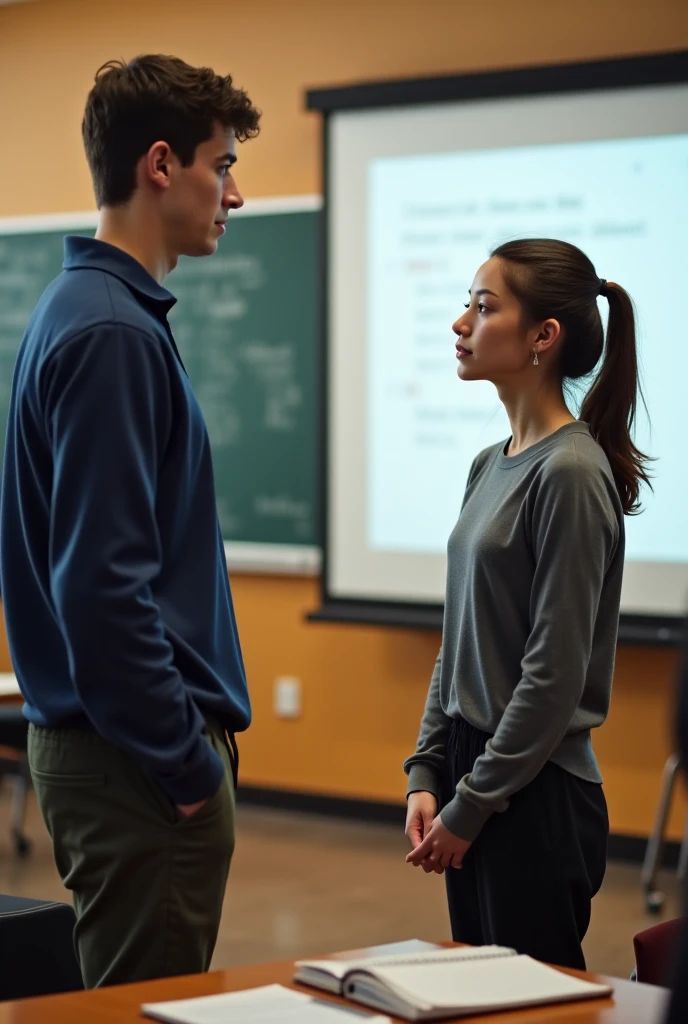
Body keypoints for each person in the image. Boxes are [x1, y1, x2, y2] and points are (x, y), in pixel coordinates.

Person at [0, 55, 260, 987]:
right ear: (160, 164)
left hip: (116, 755)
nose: (235, 190)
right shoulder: (110, 331)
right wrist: (187, 771)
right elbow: (101, 589)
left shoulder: (97, 310)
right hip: (137, 765)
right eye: (221, 164)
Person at [403, 238, 651, 970]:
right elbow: (461, 638)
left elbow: (552, 676)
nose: (460, 323)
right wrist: (428, 769)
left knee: (531, 1004)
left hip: (534, 792)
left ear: (544, 337)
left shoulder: (572, 472)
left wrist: (474, 803)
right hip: (476, 770)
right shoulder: (490, 462)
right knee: (477, 995)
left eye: (483, 307)